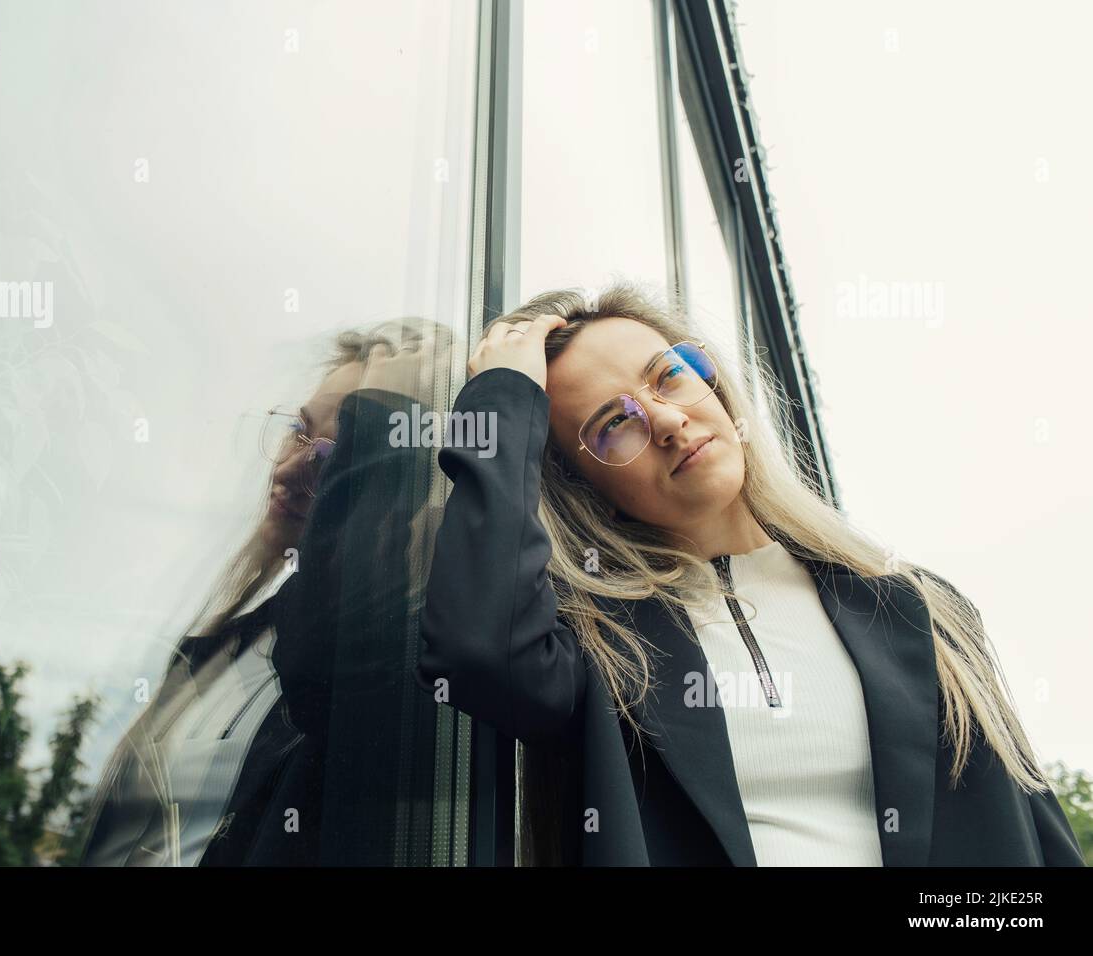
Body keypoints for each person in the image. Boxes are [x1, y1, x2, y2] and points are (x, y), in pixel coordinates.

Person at [415, 280, 1086, 867]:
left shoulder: (922, 609)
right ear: (584, 488)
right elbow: (479, 648)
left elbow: (1041, 838)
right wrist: (503, 399)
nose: (670, 422)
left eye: (667, 376)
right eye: (614, 424)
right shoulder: (602, 650)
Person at [79, 319, 448, 865]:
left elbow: (339, 668)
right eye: (300, 430)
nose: (295, 467)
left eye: (344, 449)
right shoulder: (225, 644)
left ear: (406, 473)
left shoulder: (398, 664)